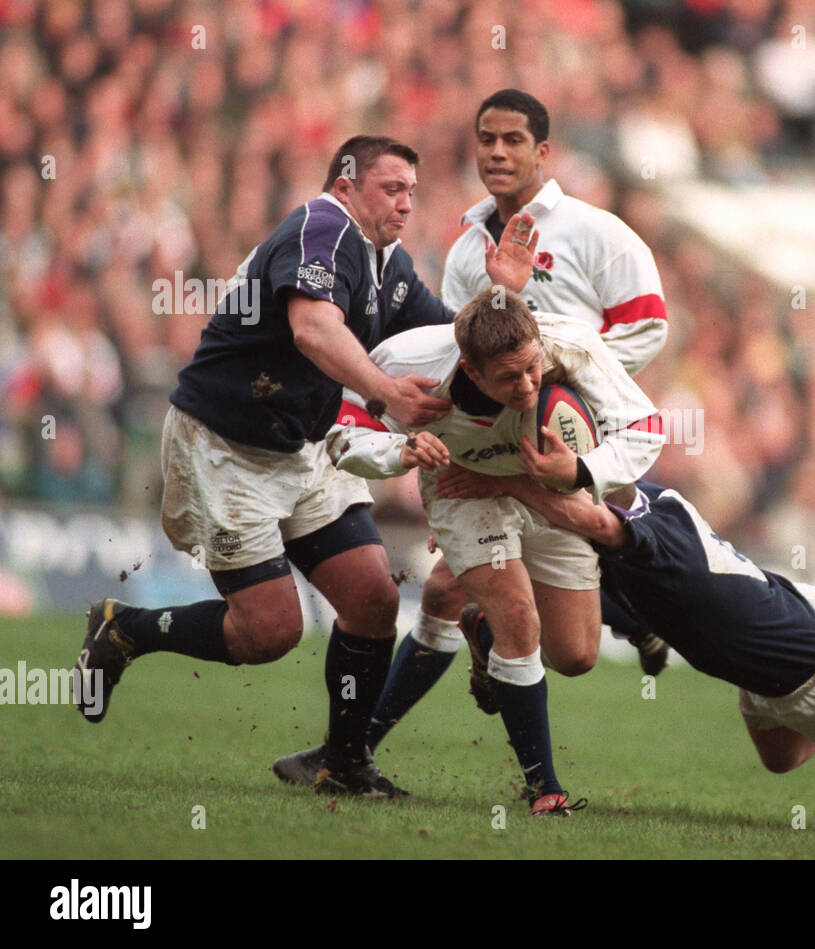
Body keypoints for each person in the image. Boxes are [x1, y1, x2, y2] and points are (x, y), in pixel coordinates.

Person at [295, 467, 815, 848]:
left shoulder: (648, 547)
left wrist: (483, 483)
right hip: (783, 658)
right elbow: (578, 566)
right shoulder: (654, 505)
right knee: (782, 760)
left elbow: (590, 526)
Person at [74, 135, 536, 798]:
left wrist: (499, 294)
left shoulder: (388, 262)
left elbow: (453, 343)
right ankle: (127, 627)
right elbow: (312, 329)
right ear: (346, 184)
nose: (406, 202)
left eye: (412, 190)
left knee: (375, 599)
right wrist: (382, 389)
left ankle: (342, 763)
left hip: (303, 447)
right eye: (390, 187)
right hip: (224, 447)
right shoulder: (322, 225)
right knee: (269, 632)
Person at [275, 288, 664, 814]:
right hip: (462, 489)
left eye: (532, 369)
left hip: (547, 485)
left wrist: (578, 470)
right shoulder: (410, 361)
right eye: (508, 377)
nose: (527, 385)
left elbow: (647, 427)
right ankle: (544, 790)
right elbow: (342, 434)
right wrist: (401, 449)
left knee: (574, 656)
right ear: (472, 372)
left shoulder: (571, 345)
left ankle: (483, 631)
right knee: (519, 617)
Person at [406, 88, 671, 696]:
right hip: (495, 440)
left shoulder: (596, 231)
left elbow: (648, 324)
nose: (497, 153)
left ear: (543, 151)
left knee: (554, 626)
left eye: (513, 140)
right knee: (452, 586)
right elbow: (458, 354)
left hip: (569, 436)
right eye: (487, 140)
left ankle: (636, 614)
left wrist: (566, 381)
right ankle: (354, 748)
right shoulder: (467, 246)